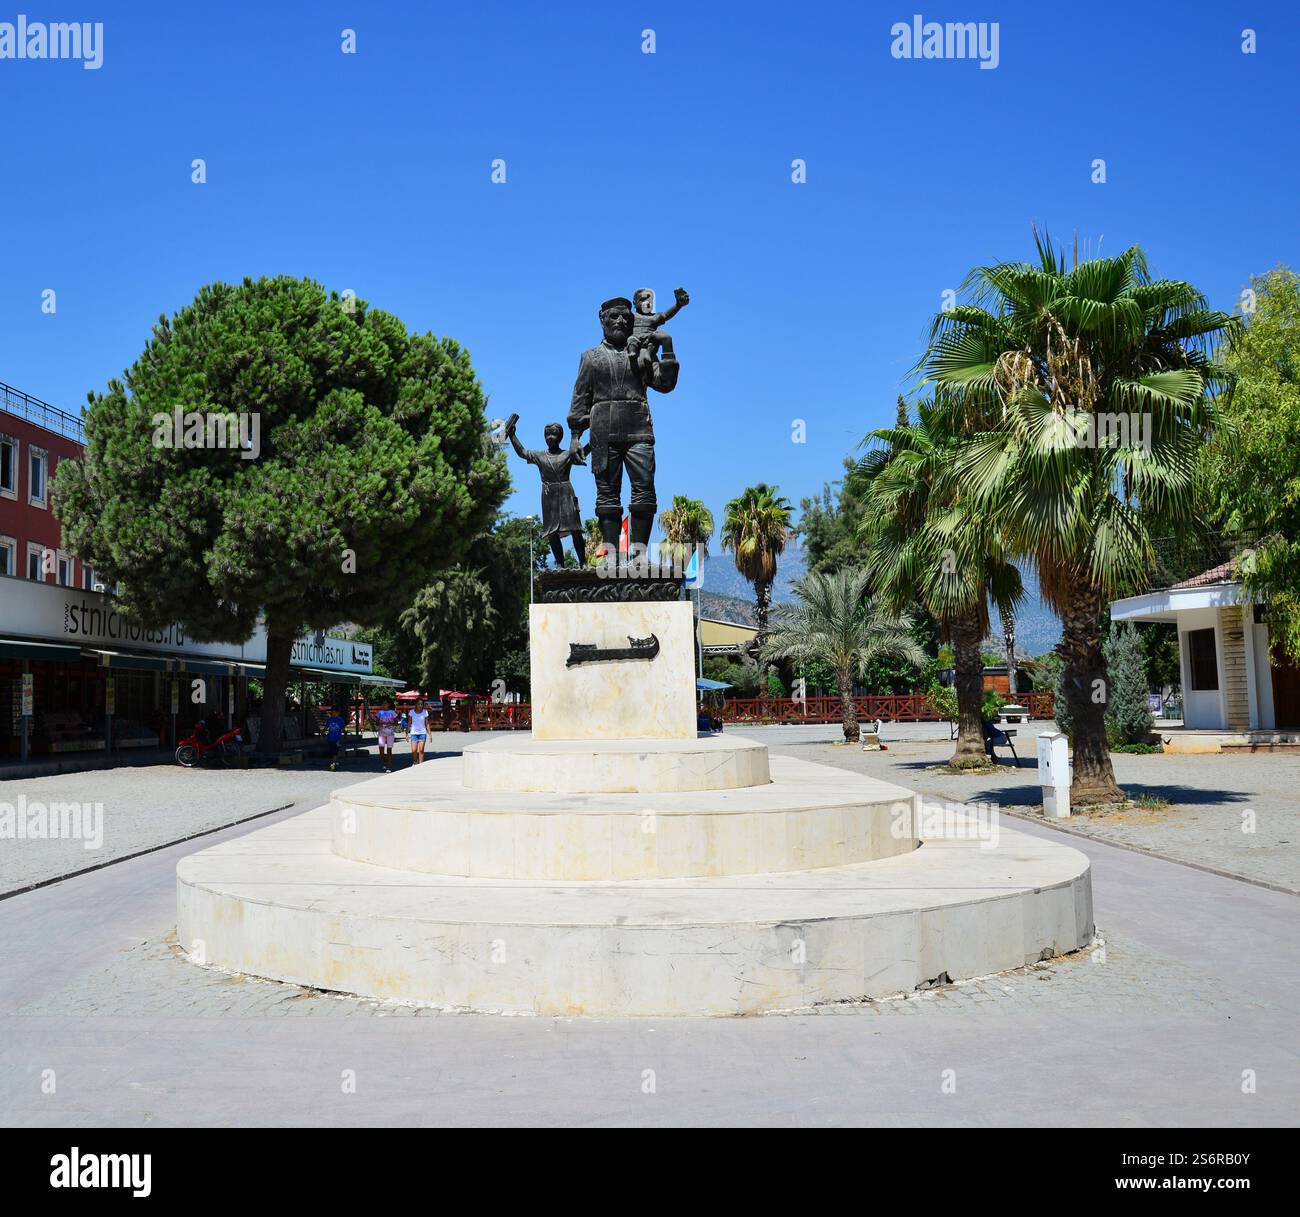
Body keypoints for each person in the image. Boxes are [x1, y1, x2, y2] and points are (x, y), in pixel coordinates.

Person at [567, 295, 682, 554]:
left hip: (638, 428)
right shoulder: (590, 357)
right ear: (602, 320)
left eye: (625, 317)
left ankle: (639, 554)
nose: (620, 321)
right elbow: (580, 398)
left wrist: (668, 347)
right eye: (614, 316)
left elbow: (664, 383)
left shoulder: (642, 353)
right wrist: (575, 436)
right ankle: (611, 556)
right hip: (603, 432)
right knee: (607, 495)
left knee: (644, 491)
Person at [507, 418, 590, 565]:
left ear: (560, 437)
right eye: (547, 435)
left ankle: (582, 562)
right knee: (552, 532)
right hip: (548, 495)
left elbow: (583, 452)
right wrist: (513, 436)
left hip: (566, 493)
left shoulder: (567, 454)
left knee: (575, 529)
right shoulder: (540, 456)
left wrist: (595, 439)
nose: (550, 438)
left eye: (554, 435)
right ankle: (560, 564)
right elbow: (523, 453)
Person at [628, 286, 689, 379]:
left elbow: (666, 315)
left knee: (654, 341)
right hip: (636, 339)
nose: (647, 303)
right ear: (635, 303)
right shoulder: (631, 316)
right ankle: (632, 353)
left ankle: (648, 355)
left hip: (649, 339)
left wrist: (678, 305)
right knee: (631, 340)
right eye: (643, 300)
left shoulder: (654, 317)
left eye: (650, 300)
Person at [372, 699, 398, 772]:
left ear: (388, 704)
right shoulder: (380, 712)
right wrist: (378, 722)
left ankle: (388, 767)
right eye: (383, 703)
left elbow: (396, 722)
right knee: (381, 753)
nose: (384, 705)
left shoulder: (392, 712)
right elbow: (376, 723)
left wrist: (390, 724)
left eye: (386, 703)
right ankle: (385, 762)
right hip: (381, 733)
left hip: (390, 733)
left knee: (389, 751)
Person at [408, 697, 431, 764]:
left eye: (421, 704)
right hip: (414, 733)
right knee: (414, 750)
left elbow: (427, 723)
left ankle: (421, 765)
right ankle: (415, 762)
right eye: (418, 704)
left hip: (422, 733)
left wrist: (430, 734)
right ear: (416, 704)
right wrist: (406, 733)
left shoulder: (425, 712)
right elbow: (409, 723)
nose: (420, 705)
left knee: (421, 750)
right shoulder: (411, 712)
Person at [325, 706, 346, 771]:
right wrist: (322, 732)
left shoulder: (340, 720)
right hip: (330, 737)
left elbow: (343, 728)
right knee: (331, 750)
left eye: (334, 712)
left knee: (335, 750)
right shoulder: (329, 719)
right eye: (332, 712)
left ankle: (333, 763)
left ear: (337, 713)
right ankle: (334, 762)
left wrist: (344, 732)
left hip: (337, 738)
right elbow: (326, 727)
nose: (333, 713)